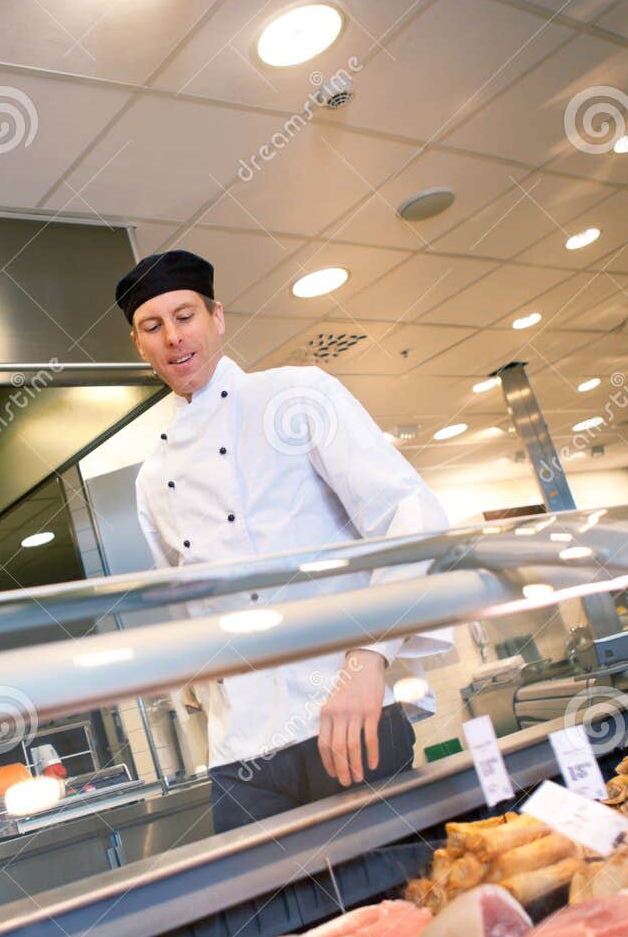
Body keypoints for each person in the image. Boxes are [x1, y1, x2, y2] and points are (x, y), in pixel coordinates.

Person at [117, 248, 452, 834]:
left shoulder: (296, 394)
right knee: (275, 920)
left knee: (397, 906)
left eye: (185, 316)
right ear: (139, 345)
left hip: (345, 712)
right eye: (153, 326)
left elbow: (409, 513)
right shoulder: (151, 479)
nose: (173, 337)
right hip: (240, 753)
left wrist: (371, 656)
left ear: (217, 317)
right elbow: (186, 614)